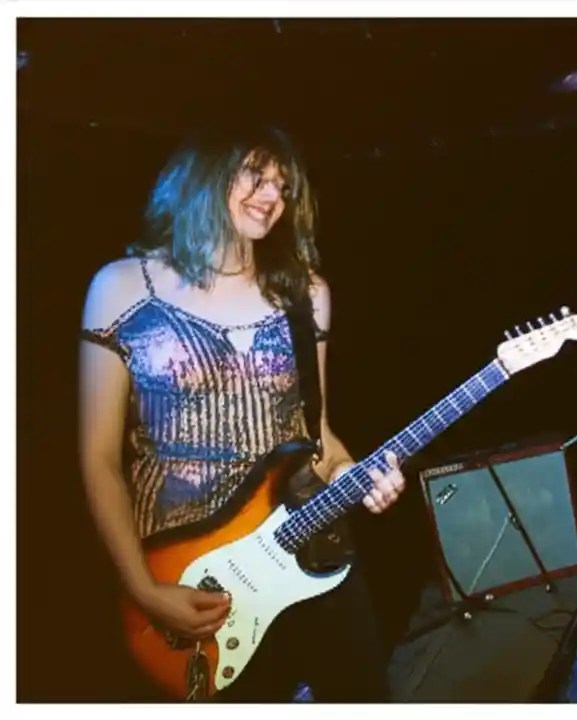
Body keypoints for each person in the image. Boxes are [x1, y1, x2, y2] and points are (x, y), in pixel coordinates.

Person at [78, 125, 406, 702]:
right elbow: (99, 458)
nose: (273, 194)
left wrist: (360, 476)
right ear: (203, 177)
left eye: (283, 183)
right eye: (255, 175)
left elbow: (317, 435)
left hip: (309, 554)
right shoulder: (120, 288)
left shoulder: (306, 293)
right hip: (186, 574)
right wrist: (143, 589)